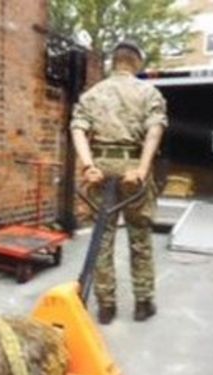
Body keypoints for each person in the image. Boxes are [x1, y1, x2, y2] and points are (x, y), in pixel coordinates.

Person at [70, 40, 167, 324]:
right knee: (140, 237)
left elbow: (77, 129)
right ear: (136, 62)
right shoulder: (148, 92)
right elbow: (155, 130)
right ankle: (143, 303)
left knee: (103, 238)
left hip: (100, 167)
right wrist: (142, 169)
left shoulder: (92, 94)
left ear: (113, 62)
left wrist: (88, 165)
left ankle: (106, 306)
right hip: (132, 167)